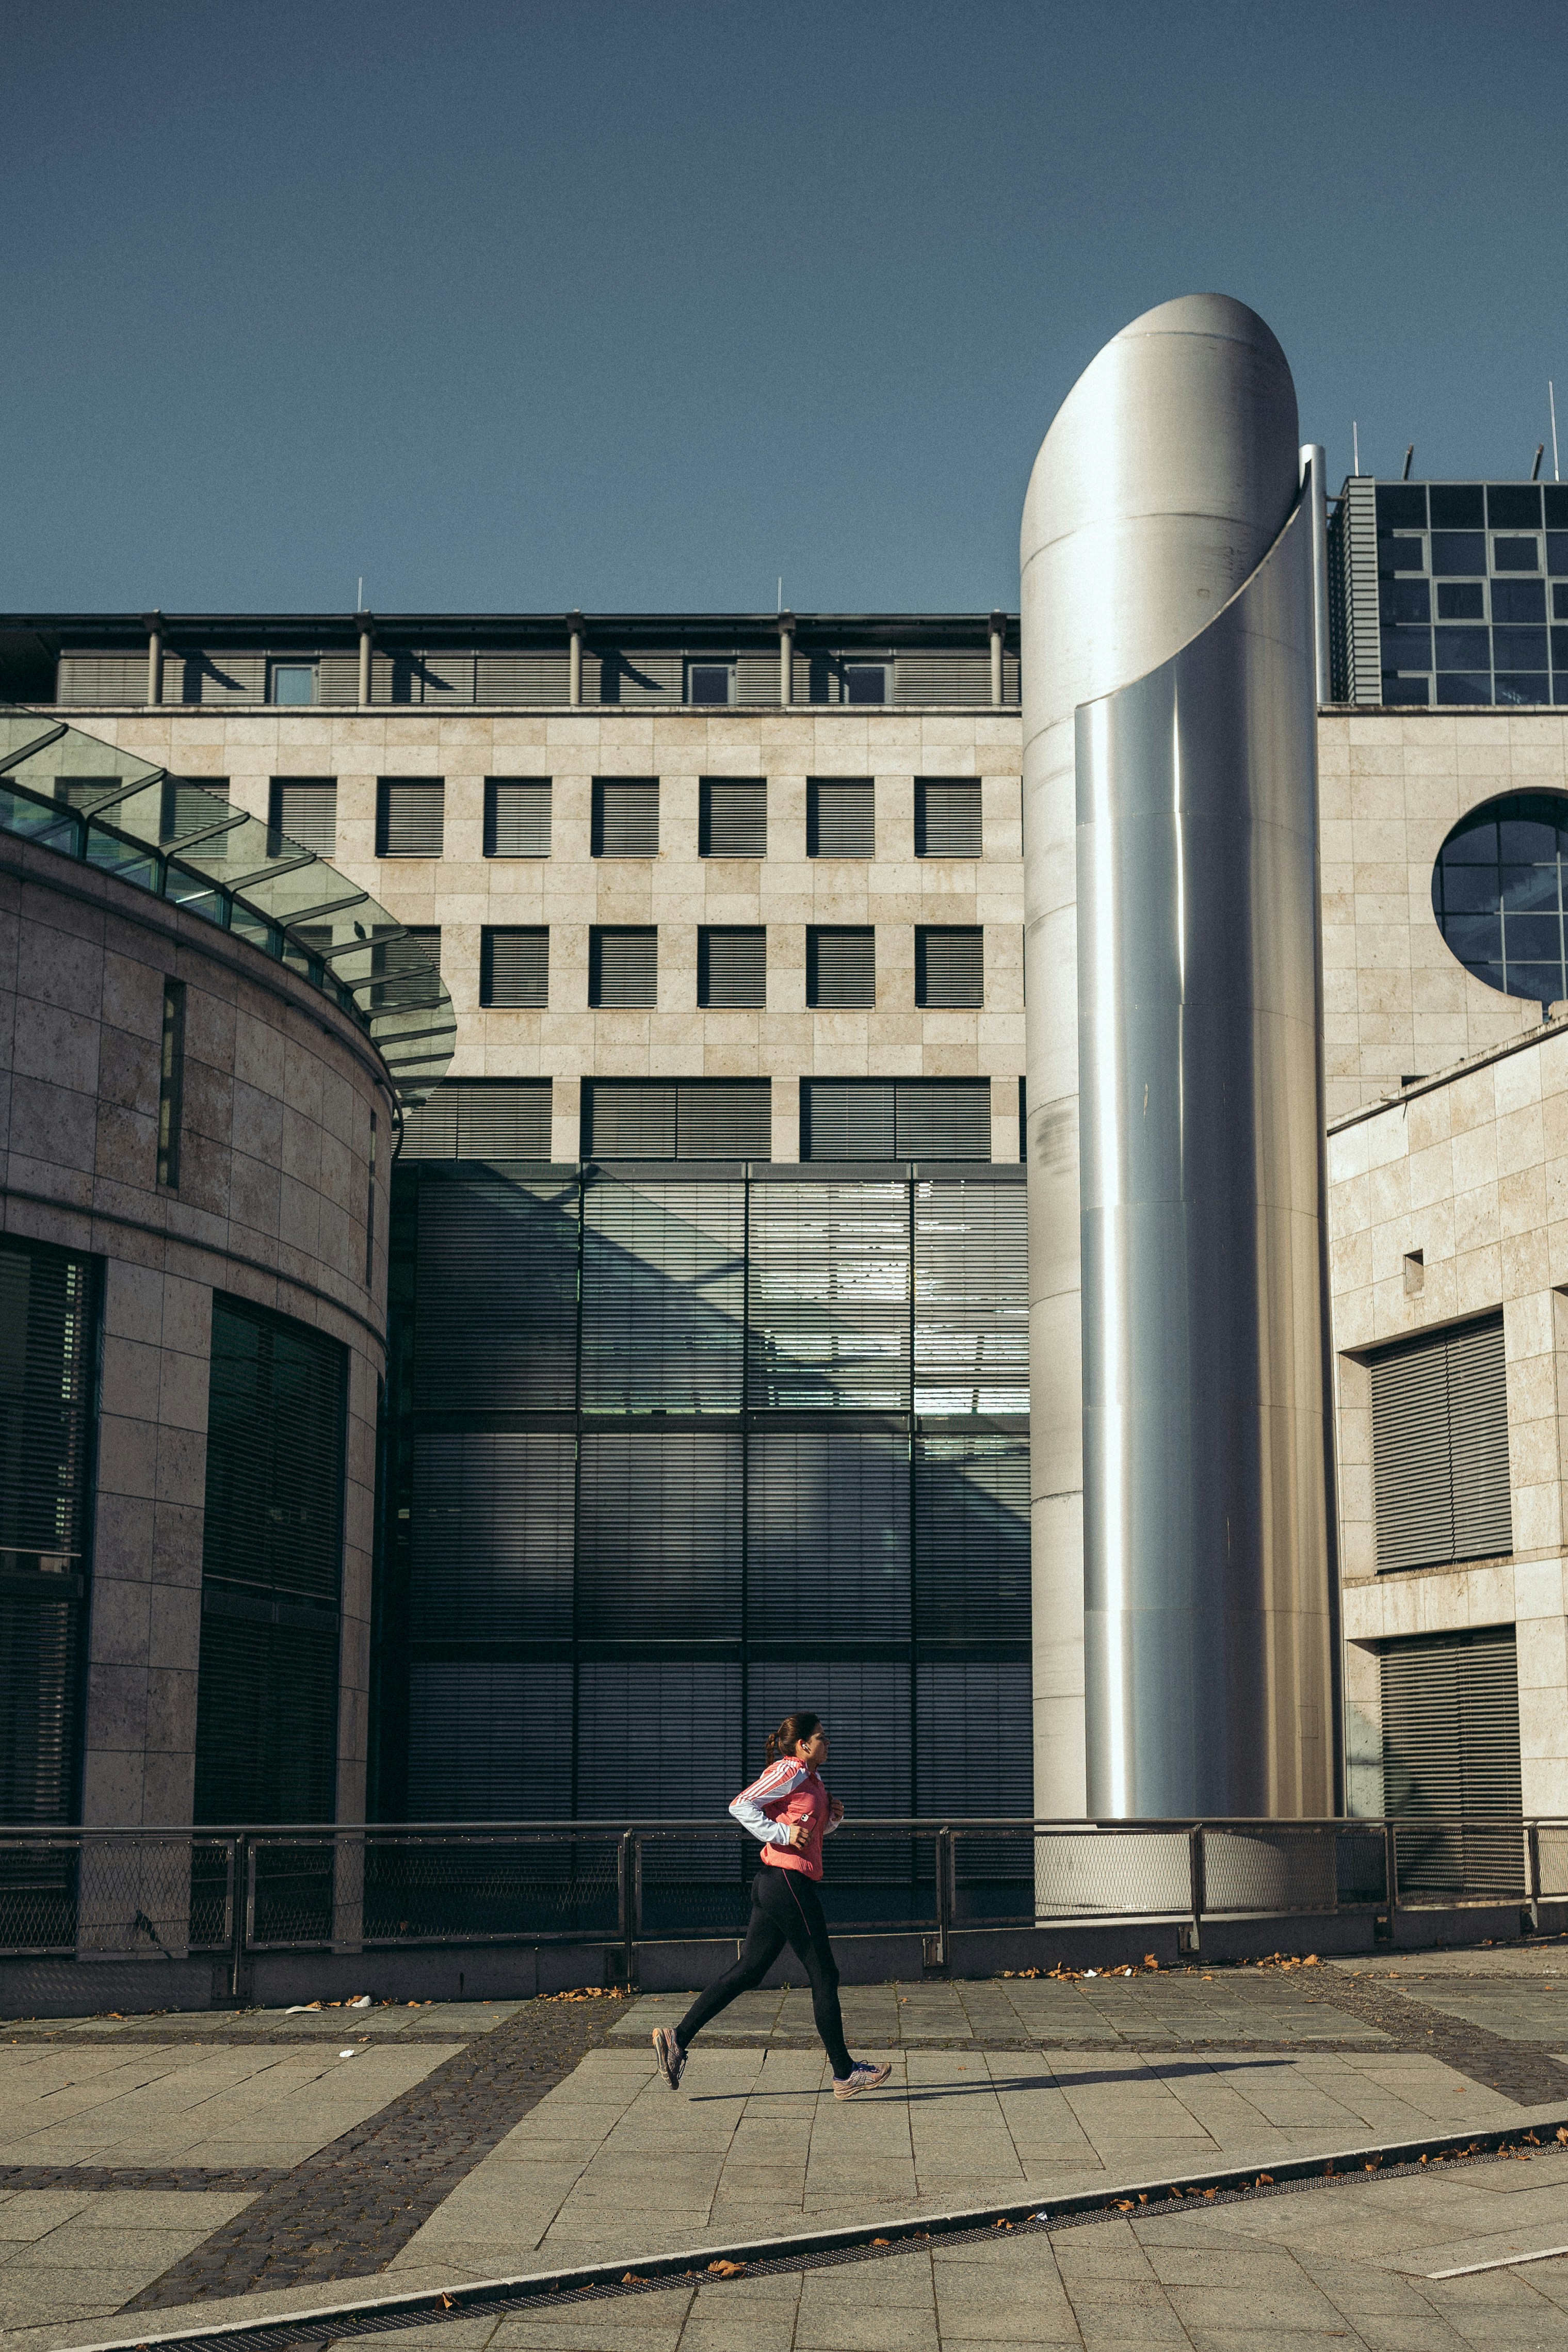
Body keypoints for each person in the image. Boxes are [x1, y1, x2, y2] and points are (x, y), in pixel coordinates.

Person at [652, 1711, 893, 2101]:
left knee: (749, 1971)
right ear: (803, 1744)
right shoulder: (790, 1770)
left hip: (777, 1882)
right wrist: (781, 1831)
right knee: (824, 1973)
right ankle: (845, 2073)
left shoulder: (811, 1778)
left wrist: (830, 1821)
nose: (827, 1742)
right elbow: (741, 1805)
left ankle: (677, 2038)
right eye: (821, 1737)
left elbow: (804, 1833)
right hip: (787, 1882)